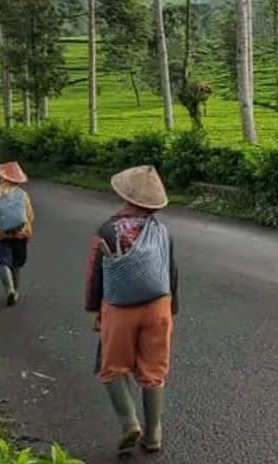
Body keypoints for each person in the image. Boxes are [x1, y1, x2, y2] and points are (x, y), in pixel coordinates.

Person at [85, 164, 178, 455]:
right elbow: (171, 272)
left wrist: (94, 308)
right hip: (159, 306)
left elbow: (95, 274)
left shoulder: (107, 230)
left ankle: (129, 423)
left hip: (120, 308)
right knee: (153, 371)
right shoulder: (162, 232)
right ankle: (153, 435)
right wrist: (171, 307)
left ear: (124, 195)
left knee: (111, 367)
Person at [0, 161, 34, 306]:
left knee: (3, 261)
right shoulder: (23, 194)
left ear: (4, 177)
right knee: (17, 263)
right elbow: (29, 216)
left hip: (1, 234)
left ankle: (9, 289)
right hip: (21, 235)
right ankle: (16, 291)